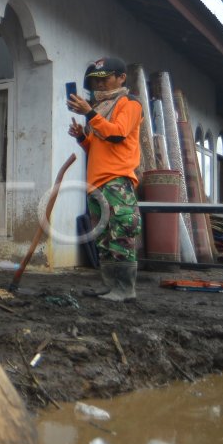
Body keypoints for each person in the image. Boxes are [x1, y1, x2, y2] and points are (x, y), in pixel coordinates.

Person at [67, 57, 143, 301]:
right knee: (102, 235)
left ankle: (125, 289)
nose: (99, 84)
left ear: (121, 78)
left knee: (120, 231)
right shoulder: (101, 110)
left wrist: (89, 113)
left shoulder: (129, 103)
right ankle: (110, 285)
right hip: (96, 182)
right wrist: (82, 138)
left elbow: (118, 134)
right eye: (95, 81)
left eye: (105, 78)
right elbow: (98, 148)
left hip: (117, 180)